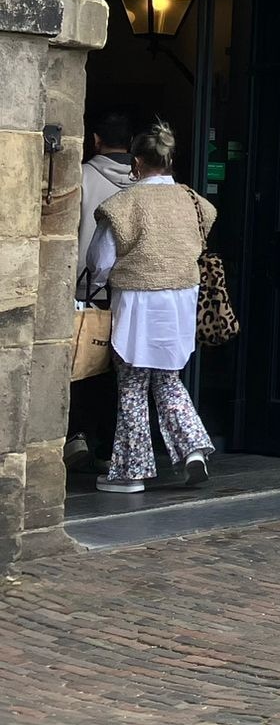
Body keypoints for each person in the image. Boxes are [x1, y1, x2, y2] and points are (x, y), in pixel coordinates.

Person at [90, 121, 218, 497]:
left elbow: (100, 260)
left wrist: (97, 285)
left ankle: (131, 471)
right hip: (181, 299)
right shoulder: (195, 202)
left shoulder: (121, 205)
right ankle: (192, 448)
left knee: (131, 383)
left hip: (138, 300)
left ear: (137, 162)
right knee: (168, 377)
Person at [67, 109, 138, 472]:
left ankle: (76, 431)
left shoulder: (80, 176)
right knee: (118, 370)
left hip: (86, 289)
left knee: (81, 362)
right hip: (132, 292)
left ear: (95, 140)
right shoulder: (143, 183)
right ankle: (109, 446)